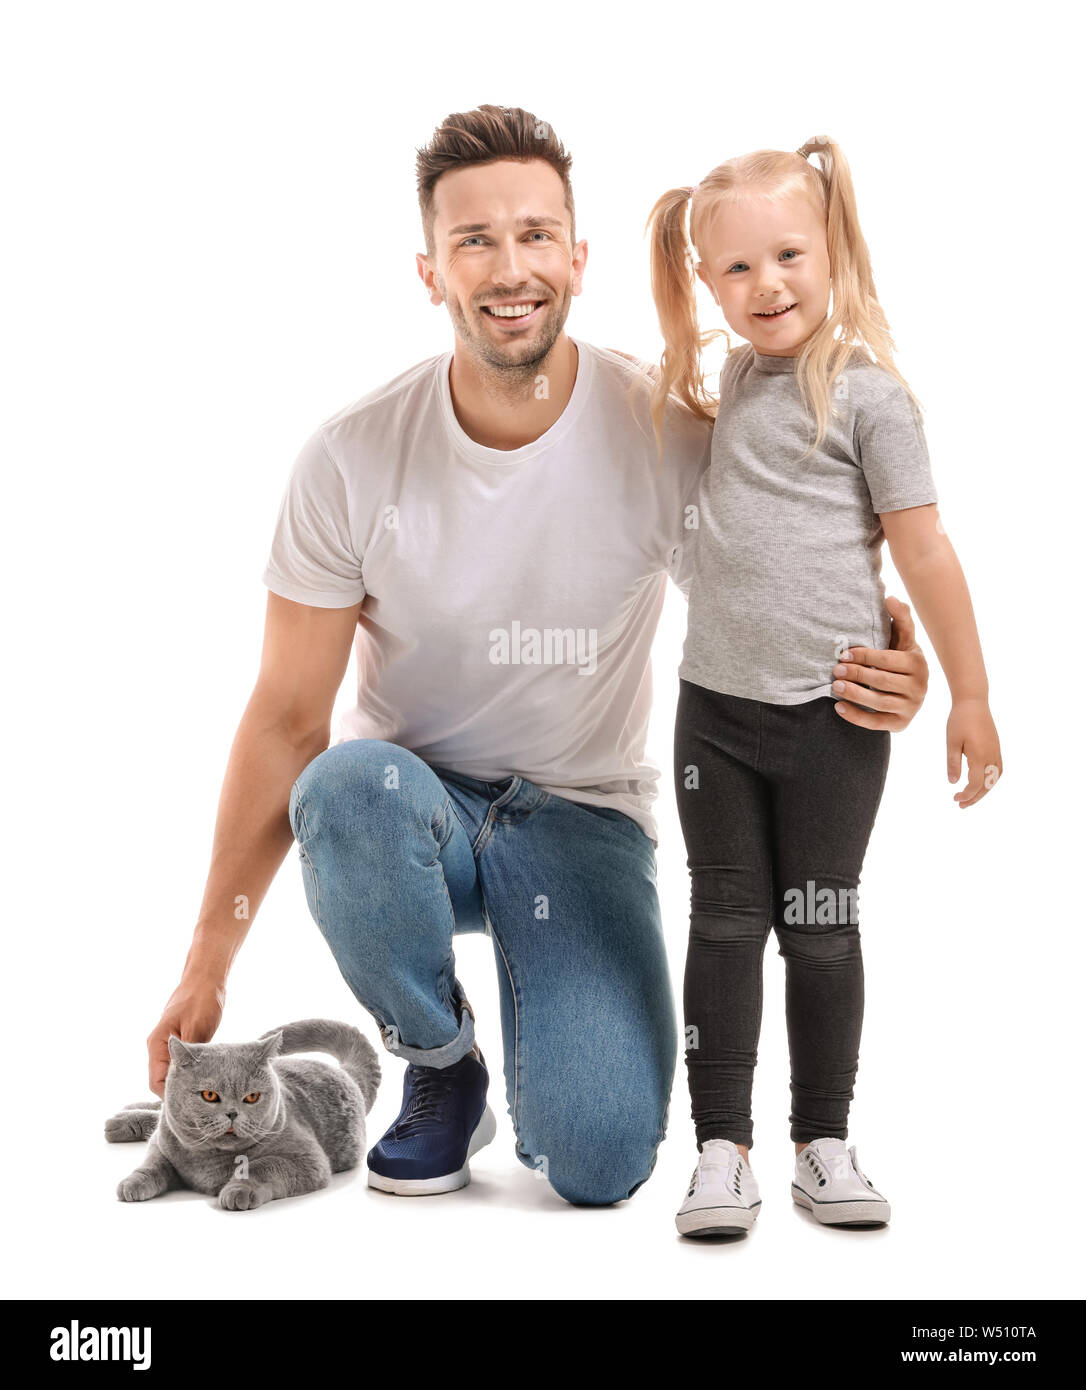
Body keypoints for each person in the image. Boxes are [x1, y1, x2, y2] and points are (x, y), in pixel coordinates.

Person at [146, 108, 931, 1209]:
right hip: (414, 818)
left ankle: (571, 1071)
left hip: (584, 823)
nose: (509, 269)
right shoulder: (350, 458)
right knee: (344, 782)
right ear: (431, 271)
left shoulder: (666, 431)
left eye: (534, 235)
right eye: (475, 241)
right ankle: (438, 1062)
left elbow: (780, 589)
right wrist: (208, 956)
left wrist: (896, 657)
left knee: (601, 1159)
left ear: (577, 257)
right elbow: (285, 719)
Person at [645, 135, 1002, 1235]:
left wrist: (971, 694)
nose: (768, 286)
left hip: (833, 719)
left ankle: (825, 1139)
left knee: (821, 925)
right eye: (738, 270)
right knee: (721, 923)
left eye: (790, 255)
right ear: (706, 283)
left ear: (834, 250)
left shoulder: (870, 398)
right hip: (714, 712)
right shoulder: (721, 391)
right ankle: (719, 1148)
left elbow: (926, 548)